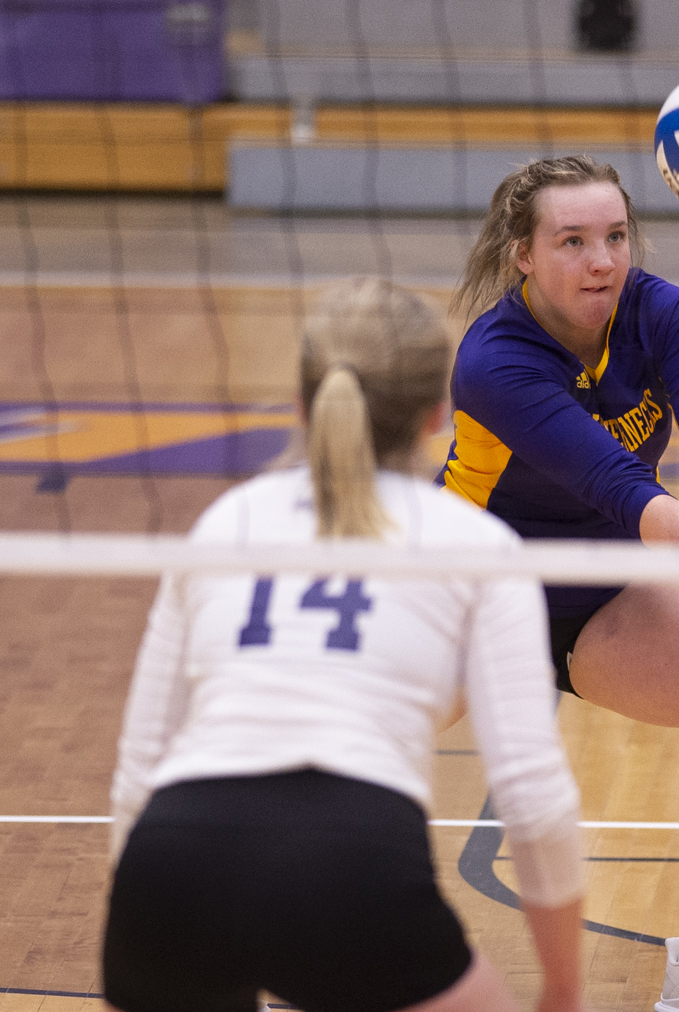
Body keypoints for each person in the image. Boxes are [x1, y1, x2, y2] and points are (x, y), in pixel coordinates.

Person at [105, 278, 589, 1012]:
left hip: (174, 857)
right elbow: (530, 795)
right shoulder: (475, 545)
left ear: (301, 405)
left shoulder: (226, 522)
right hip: (348, 858)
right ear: (437, 416)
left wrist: (153, 922)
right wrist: (563, 992)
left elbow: (139, 769)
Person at [443, 155, 679, 1012]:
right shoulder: (495, 359)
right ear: (521, 256)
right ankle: (272, 937)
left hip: (598, 589)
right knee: (351, 737)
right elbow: (628, 492)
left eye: (614, 237)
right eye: (572, 241)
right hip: (467, 588)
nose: (602, 261)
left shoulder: (665, 316)